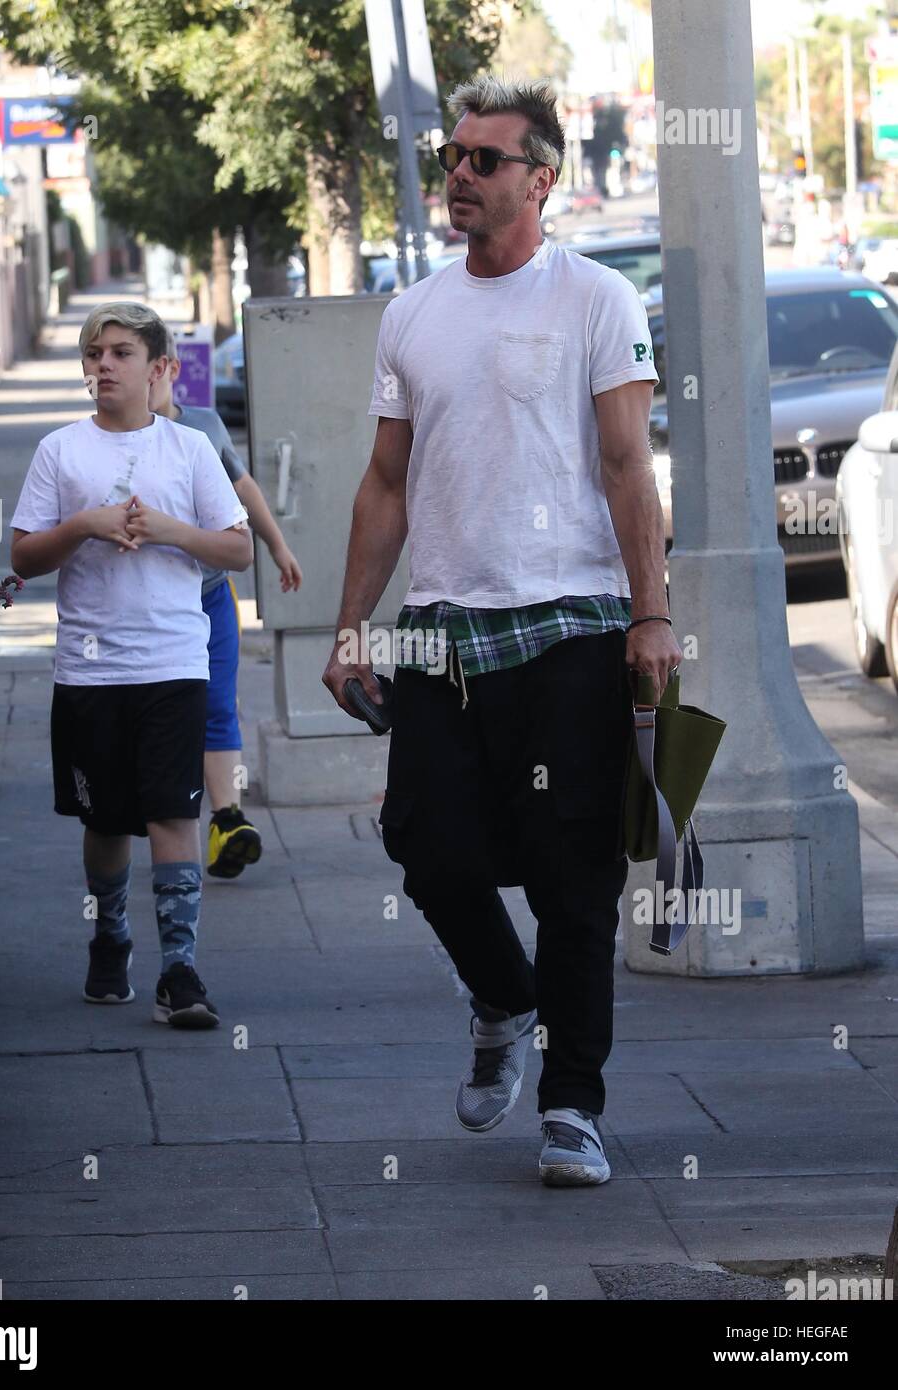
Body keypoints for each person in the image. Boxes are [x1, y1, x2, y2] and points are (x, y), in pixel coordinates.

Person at [322, 76, 682, 1186]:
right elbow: (385, 483)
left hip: (571, 620)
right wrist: (350, 628)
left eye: (484, 160)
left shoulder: (594, 300)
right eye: (452, 159)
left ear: (541, 178)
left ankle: (571, 1104)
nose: (460, 176)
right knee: (425, 847)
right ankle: (503, 996)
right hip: (439, 628)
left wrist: (651, 610)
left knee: (575, 876)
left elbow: (628, 467)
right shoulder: (413, 311)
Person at [10, 302, 252, 1028]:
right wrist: (85, 525)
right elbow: (22, 558)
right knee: (107, 822)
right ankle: (110, 938)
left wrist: (172, 531)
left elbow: (239, 549)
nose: (104, 365)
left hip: (174, 663)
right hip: (91, 672)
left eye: (119, 353)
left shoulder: (189, 449)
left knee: (175, 813)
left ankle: (179, 970)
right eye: (94, 354)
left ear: (157, 369)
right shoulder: (60, 451)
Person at [148, 328, 302, 879]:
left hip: (211, 596)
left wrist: (278, 547)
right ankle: (164, 822)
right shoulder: (111, 442)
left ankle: (227, 820)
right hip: (147, 607)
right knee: (162, 715)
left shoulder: (205, 426)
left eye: (146, 363)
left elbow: (245, 490)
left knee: (218, 704)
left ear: (167, 367)